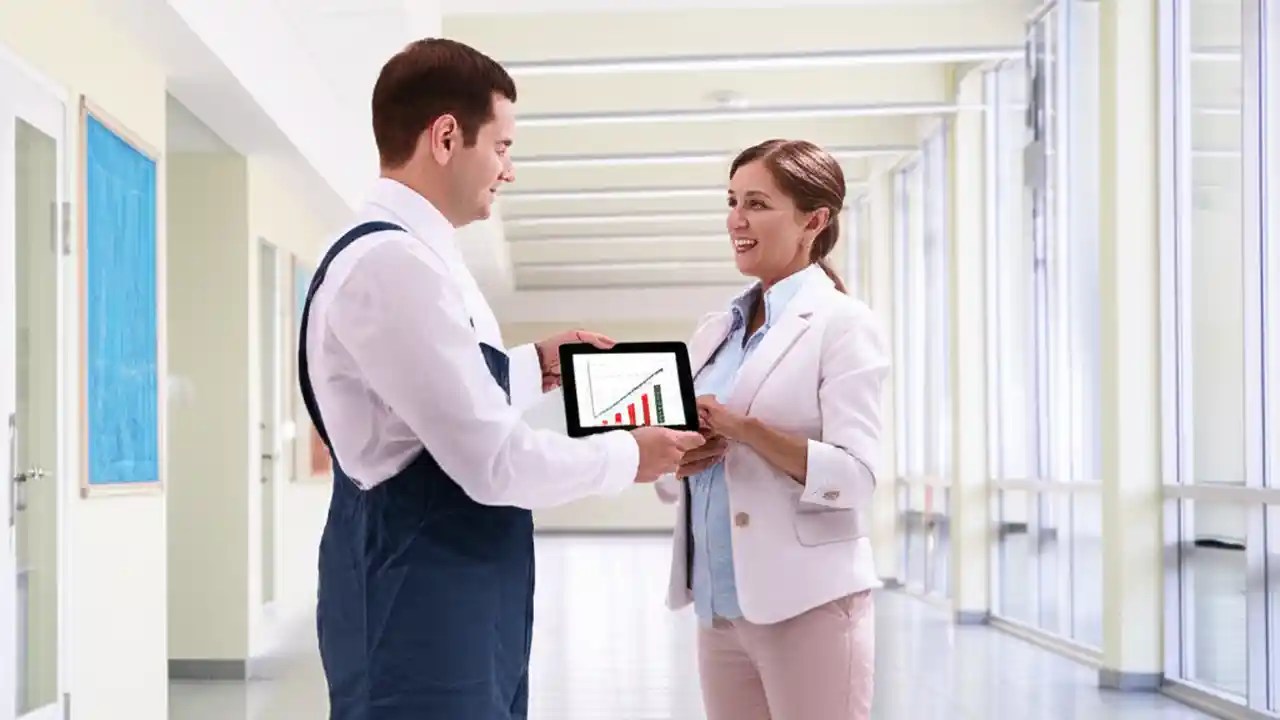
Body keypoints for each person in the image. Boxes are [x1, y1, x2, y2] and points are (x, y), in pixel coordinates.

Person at [297, 38, 705, 720]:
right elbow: (492, 462)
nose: (508, 171)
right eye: (503, 146)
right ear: (447, 137)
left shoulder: (418, 258)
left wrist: (528, 366)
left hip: (457, 586)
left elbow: (423, 401)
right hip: (419, 597)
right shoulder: (392, 266)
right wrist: (630, 455)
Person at [655, 139, 890, 720]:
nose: (737, 219)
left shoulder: (844, 325)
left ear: (814, 220)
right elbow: (675, 478)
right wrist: (679, 455)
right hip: (721, 607)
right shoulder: (714, 332)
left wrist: (744, 429)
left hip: (808, 602)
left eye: (757, 203)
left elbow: (857, 477)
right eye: (733, 200)